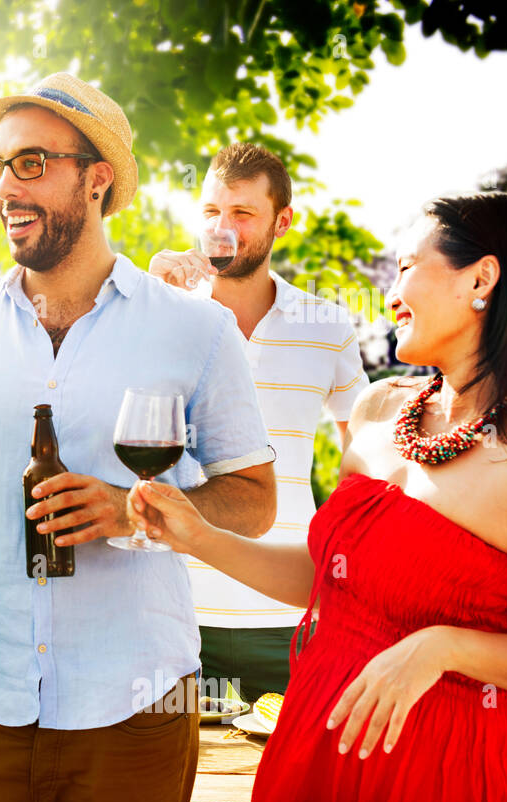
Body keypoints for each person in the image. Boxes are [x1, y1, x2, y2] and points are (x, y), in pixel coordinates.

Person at [0, 72, 277, 802]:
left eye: (30, 163)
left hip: (134, 712)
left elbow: (255, 499)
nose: (5, 186)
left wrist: (135, 510)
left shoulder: (197, 330)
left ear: (98, 179)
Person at [131, 191, 507, 802]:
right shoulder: (381, 410)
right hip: (314, 752)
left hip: (445, 785)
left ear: (481, 278)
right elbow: (331, 576)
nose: (392, 290)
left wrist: (441, 650)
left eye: (408, 265)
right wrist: (197, 535)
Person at [150, 144, 369, 704]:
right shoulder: (160, 313)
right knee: (175, 787)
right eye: (210, 214)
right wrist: (150, 309)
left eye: (243, 214)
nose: (221, 231)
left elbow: (366, 469)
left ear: (283, 222)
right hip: (172, 610)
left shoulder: (327, 325)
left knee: (295, 785)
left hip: (292, 616)